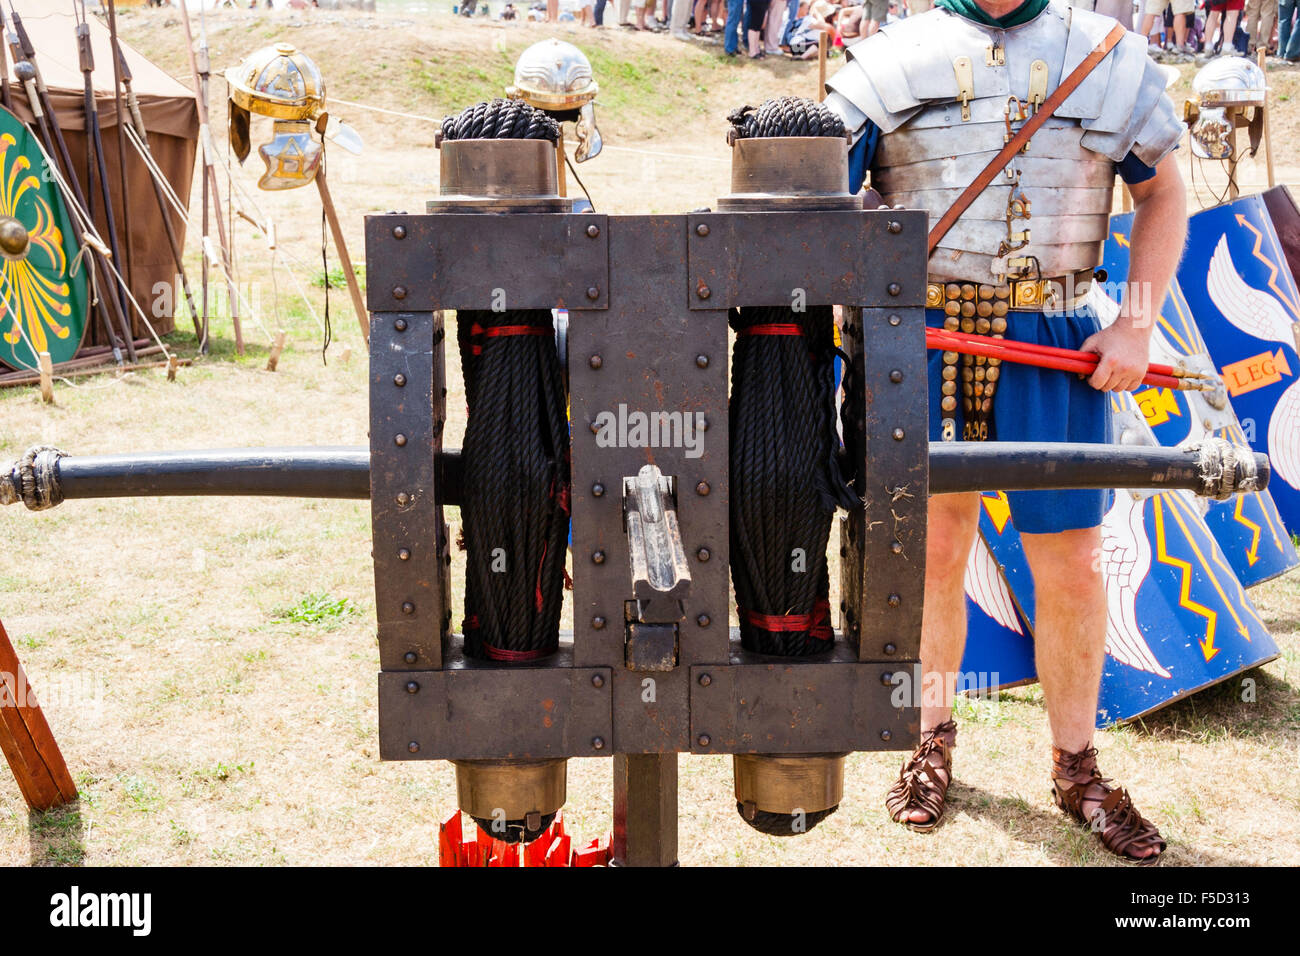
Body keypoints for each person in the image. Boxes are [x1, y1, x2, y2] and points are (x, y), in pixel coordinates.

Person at [823, 0, 1184, 864]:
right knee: (937, 550)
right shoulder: (891, 59)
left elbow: (1163, 192)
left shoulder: (1103, 52)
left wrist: (1135, 324)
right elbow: (813, 200)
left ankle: (1076, 767)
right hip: (930, 336)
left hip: (1054, 334)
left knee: (1073, 560)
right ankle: (927, 739)